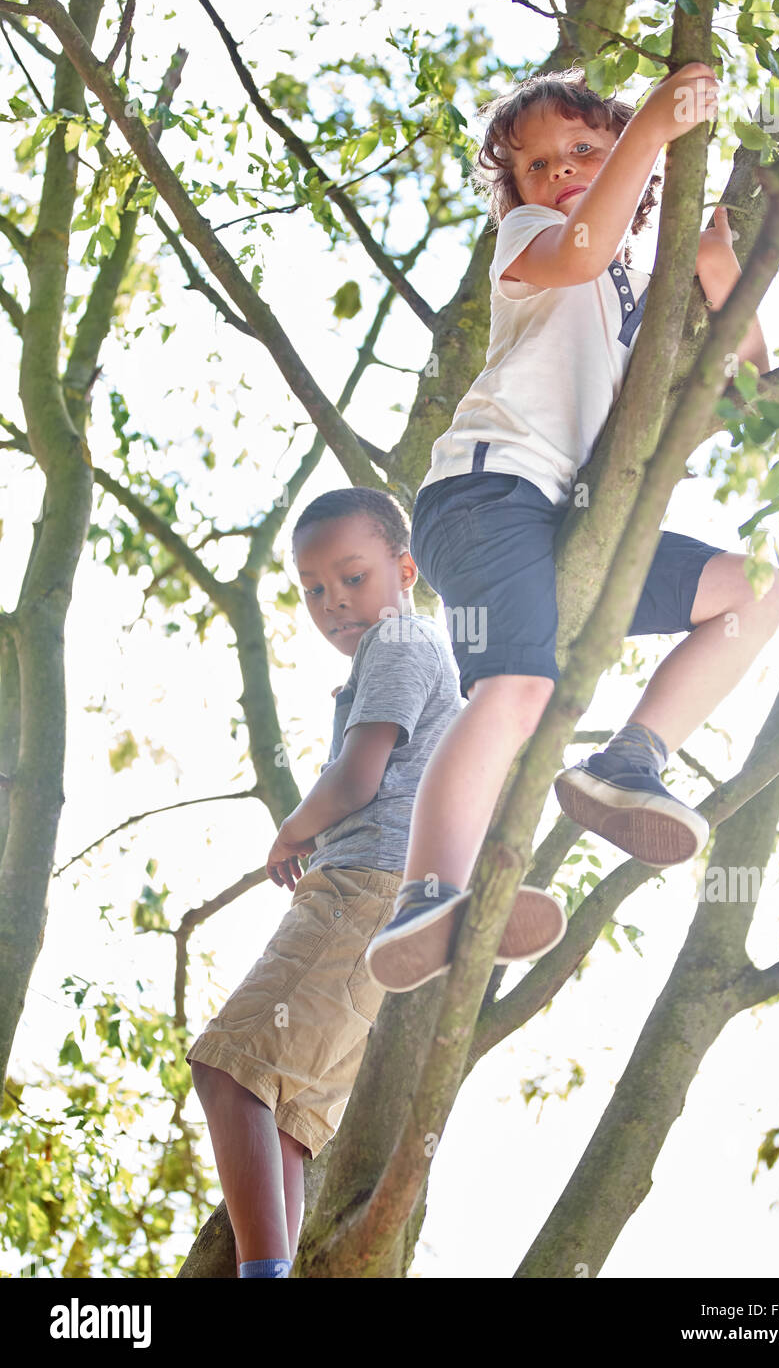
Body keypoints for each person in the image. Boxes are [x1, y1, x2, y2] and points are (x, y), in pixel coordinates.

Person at [366, 62, 779, 994]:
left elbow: (754, 390)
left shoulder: (646, 292)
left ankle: (631, 760)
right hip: (487, 494)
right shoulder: (533, 244)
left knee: (757, 590)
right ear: (516, 195)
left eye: (584, 149)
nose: (559, 169)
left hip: (570, 523)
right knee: (515, 689)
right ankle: (428, 891)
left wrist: (719, 266)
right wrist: (650, 133)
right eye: (537, 164)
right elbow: (586, 248)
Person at [186, 487, 565, 1277]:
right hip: (387, 904)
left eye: (352, 577)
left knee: (227, 1067)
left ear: (406, 569)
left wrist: (294, 828)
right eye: (314, 589)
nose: (333, 602)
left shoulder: (396, 641)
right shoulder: (419, 652)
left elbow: (359, 776)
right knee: (287, 1118)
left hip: (363, 886)